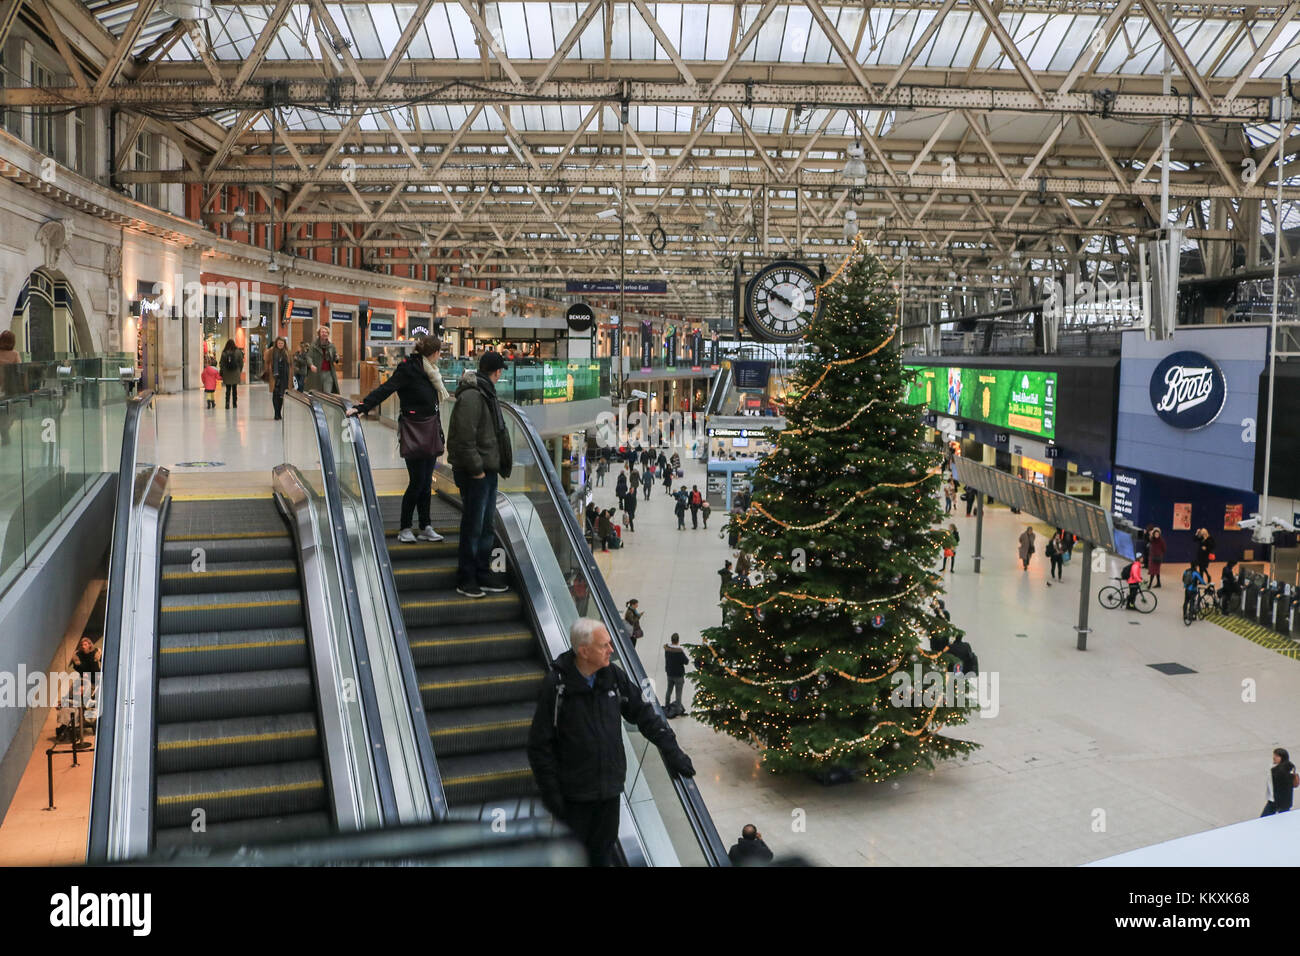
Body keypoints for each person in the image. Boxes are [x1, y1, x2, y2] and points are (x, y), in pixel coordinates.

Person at [527, 618, 695, 866]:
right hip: (574, 798)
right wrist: (553, 795)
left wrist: (672, 750)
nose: (611, 649)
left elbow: (643, 712)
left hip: (610, 792)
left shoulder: (613, 677)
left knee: (602, 855)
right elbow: (540, 745)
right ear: (584, 651)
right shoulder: (557, 686)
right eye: (604, 645)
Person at [348, 335, 449, 544]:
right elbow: (387, 389)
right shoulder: (409, 369)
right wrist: (363, 407)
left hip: (430, 430)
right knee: (417, 481)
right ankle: (405, 527)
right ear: (434, 353)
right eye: (439, 352)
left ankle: (425, 525)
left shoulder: (432, 372)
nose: (440, 356)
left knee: (426, 480)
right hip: (413, 431)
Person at [446, 351, 513, 598]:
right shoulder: (474, 396)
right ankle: (466, 578)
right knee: (473, 526)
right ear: (496, 371)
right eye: (501, 370)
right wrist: (476, 471)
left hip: (488, 469)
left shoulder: (486, 393)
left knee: (485, 526)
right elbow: (464, 437)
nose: (501, 374)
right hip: (476, 472)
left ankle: (483, 574)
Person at [305, 325, 341, 394]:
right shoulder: (313, 345)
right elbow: (309, 356)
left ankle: (325, 404)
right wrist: (311, 365)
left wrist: (337, 357)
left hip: (329, 373)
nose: (324, 333)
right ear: (319, 334)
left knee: (327, 393)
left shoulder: (331, 346)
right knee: (317, 393)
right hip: (317, 372)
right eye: (322, 332)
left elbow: (335, 357)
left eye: (326, 332)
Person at [1263, 748, 1299, 816]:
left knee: (1265, 818)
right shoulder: (1289, 766)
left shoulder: (1279, 770)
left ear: (1282, 757)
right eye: (1274, 755)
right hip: (1282, 801)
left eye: (1277, 756)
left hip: (1277, 800)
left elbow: (1285, 785)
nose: (1274, 757)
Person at [264, 336, 291, 421]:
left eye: (282, 343)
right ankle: (276, 413)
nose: (280, 345)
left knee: (281, 395)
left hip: (284, 376)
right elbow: (266, 360)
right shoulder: (272, 351)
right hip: (274, 376)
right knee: (275, 394)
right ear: (276, 343)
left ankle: (279, 412)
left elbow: (290, 364)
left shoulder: (287, 352)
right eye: (279, 343)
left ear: (284, 344)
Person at [664, 632, 688, 714]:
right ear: (678, 640)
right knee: (678, 693)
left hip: (669, 673)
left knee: (669, 690)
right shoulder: (679, 652)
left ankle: (666, 706)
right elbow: (686, 661)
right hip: (678, 675)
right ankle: (678, 710)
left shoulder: (667, 650)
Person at [219, 338, 244, 409]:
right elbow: (241, 363)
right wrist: (239, 371)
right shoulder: (238, 352)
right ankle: (234, 404)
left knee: (228, 389)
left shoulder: (224, 353)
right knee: (234, 389)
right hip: (235, 373)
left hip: (227, 373)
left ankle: (227, 404)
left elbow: (221, 363)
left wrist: (223, 372)